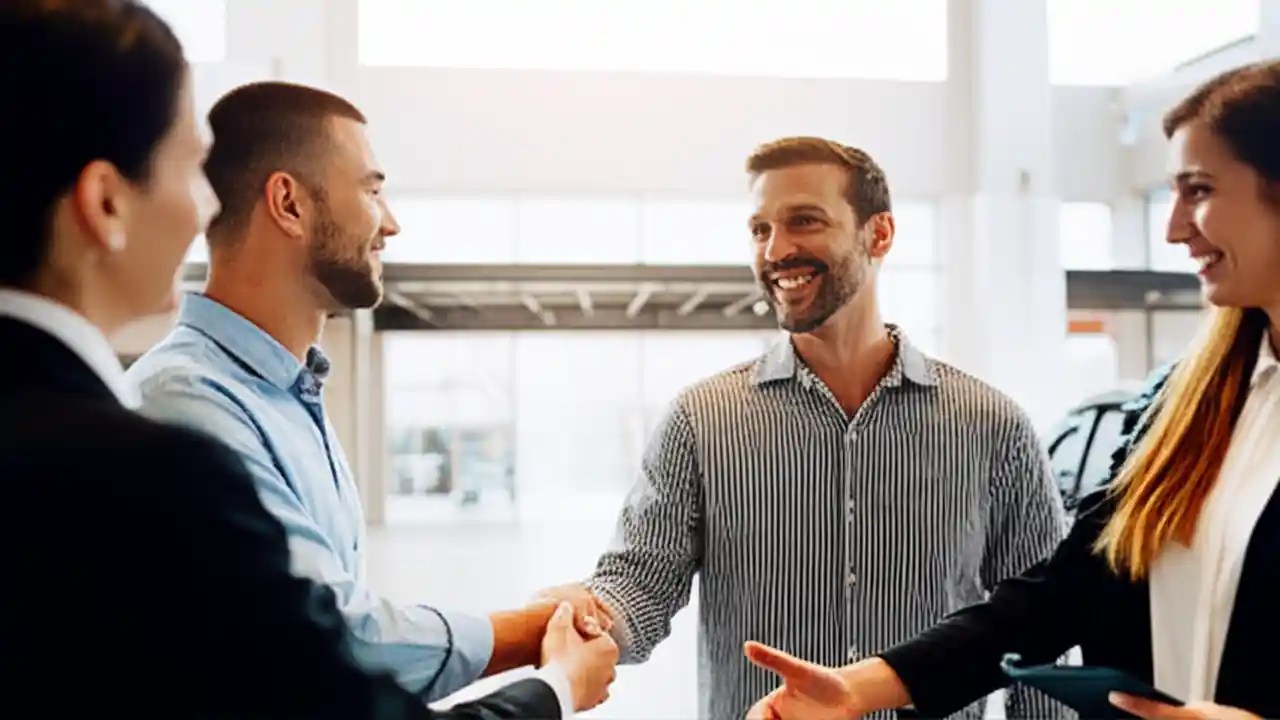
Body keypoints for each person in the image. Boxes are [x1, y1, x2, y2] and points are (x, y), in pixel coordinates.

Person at [0, 1, 608, 717]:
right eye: (192, 169)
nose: (204, 208)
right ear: (105, 200)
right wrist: (551, 675)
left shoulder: (284, 399)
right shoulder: (169, 442)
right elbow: (335, 657)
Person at [743, 60, 1280, 720]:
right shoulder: (1187, 404)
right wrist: (862, 687)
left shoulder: (988, 418)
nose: (1173, 227)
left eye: (1198, 190)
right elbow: (1062, 593)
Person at [123, 79, 619, 711]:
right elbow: (333, 639)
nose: (390, 223)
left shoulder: (284, 394)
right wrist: (535, 634)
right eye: (372, 189)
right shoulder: (188, 407)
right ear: (289, 203)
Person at [536, 136, 1069, 719]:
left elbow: (1041, 633)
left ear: (879, 234)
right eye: (760, 229)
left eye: (804, 222)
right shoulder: (701, 420)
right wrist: (584, 611)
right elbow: (639, 584)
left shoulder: (994, 427)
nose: (776, 250)